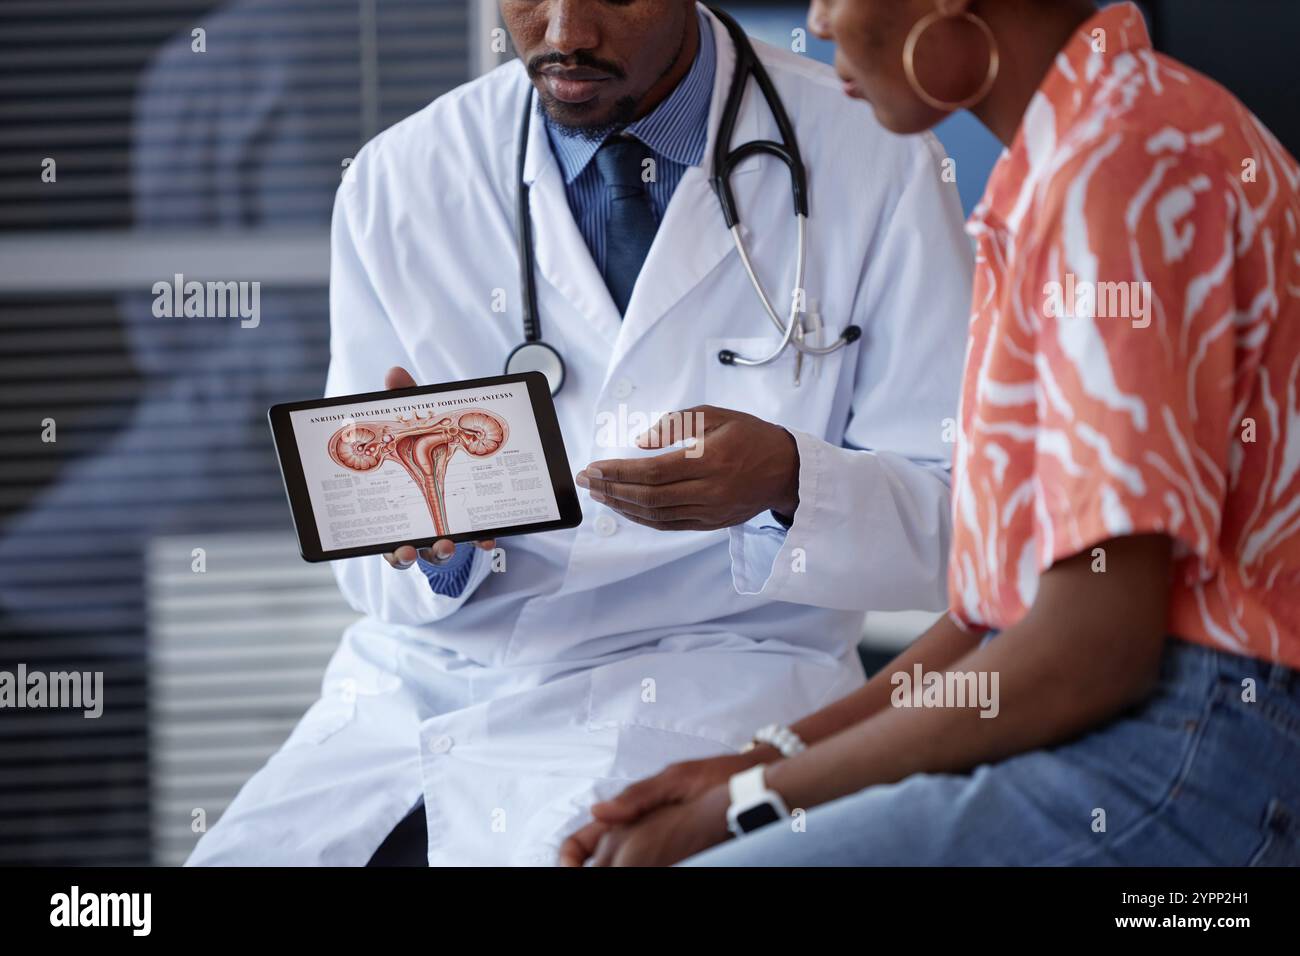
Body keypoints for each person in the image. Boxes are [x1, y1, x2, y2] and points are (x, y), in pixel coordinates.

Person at [187, 0, 973, 865]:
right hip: (422, 691)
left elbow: (956, 523)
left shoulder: (877, 159)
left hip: (718, 676)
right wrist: (432, 546)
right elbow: (374, 570)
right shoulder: (400, 180)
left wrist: (789, 480)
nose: (564, 34)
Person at [560, 0, 1300, 867]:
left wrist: (747, 807)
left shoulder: (1122, 161)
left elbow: (1095, 645)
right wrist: (766, 760)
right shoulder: (1082, 147)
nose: (821, 22)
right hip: (1142, 715)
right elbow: (999, 616)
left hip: (1200, 746)